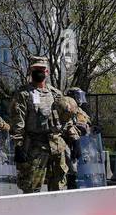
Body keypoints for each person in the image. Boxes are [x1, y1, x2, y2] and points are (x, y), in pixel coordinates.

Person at [9, 57, 81, 193]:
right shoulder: (23, 94)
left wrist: (74, 138)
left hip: (56, 146)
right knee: (32, 188)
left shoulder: (55, 94)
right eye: (36, 69)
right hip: (35, 146)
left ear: (47, 72)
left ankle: (56, 213)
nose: (39, 72)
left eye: (42, 69)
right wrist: (18, 146)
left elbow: (66, 119)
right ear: (31, 71)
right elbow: (17, 122)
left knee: (58, 187)